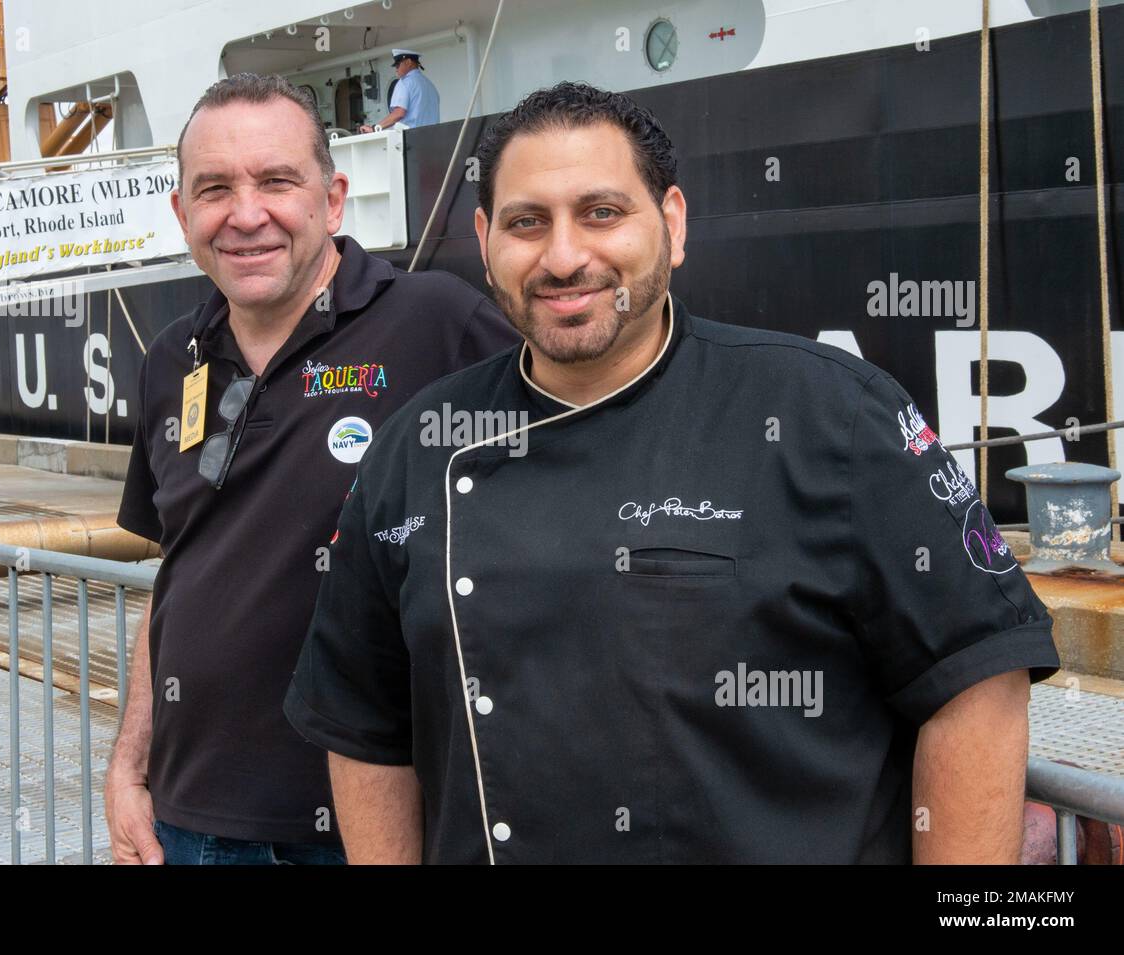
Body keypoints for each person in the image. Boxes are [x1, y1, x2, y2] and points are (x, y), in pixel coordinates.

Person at [285, 82, 1062, 864]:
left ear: (674, 222)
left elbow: (975, 682)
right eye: (527, 223)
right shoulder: (416, 447)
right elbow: (364, 725)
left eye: (601, 212)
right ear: (485, 242)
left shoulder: (835, 413)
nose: (563, 257)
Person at [107, 73, 518, 865]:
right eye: (215, 188)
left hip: (370, 831)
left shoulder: (435, 323)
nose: (246, 212)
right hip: (183, 826)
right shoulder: (172, 357)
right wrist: (129, 765)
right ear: (182, 213)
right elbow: (179, 570)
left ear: (332, 200)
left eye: (275, 181)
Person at [358, 49, 440, 133]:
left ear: (408, 62)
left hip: (412, 139)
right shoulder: (430, 85)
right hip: (433, 138)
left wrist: (375, 128)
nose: (396, 69)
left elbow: (399, 113)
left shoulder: (405, 82)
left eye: (397, 65)